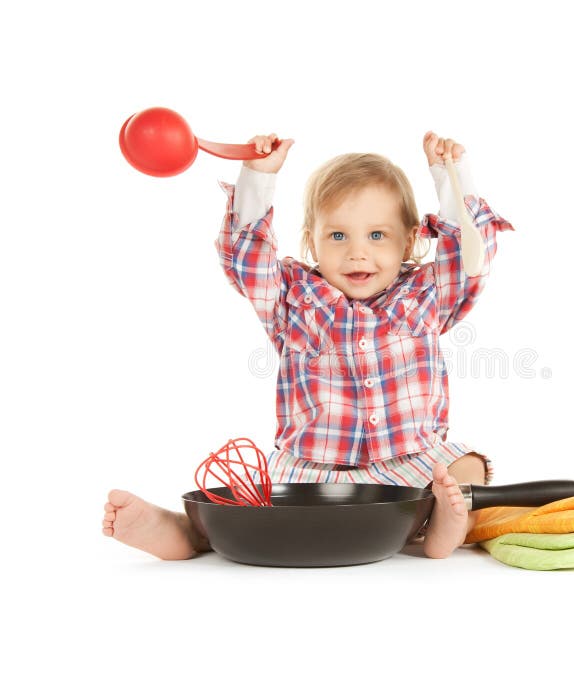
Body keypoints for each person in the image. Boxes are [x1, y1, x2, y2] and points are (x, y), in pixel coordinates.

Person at [103, 130, 514, 560]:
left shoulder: (426, 294)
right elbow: (246, 258)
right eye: (338, 236)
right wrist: (257, 178)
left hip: (406, 463)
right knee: (252, 510)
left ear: (409, 241)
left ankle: (448, 525)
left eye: (377, 235)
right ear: (310, 240)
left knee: (465, 469)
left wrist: (452, 178)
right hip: (312, 471)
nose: (358, 253)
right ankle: (185, 531)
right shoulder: (294, 298)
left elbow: (472, 259)